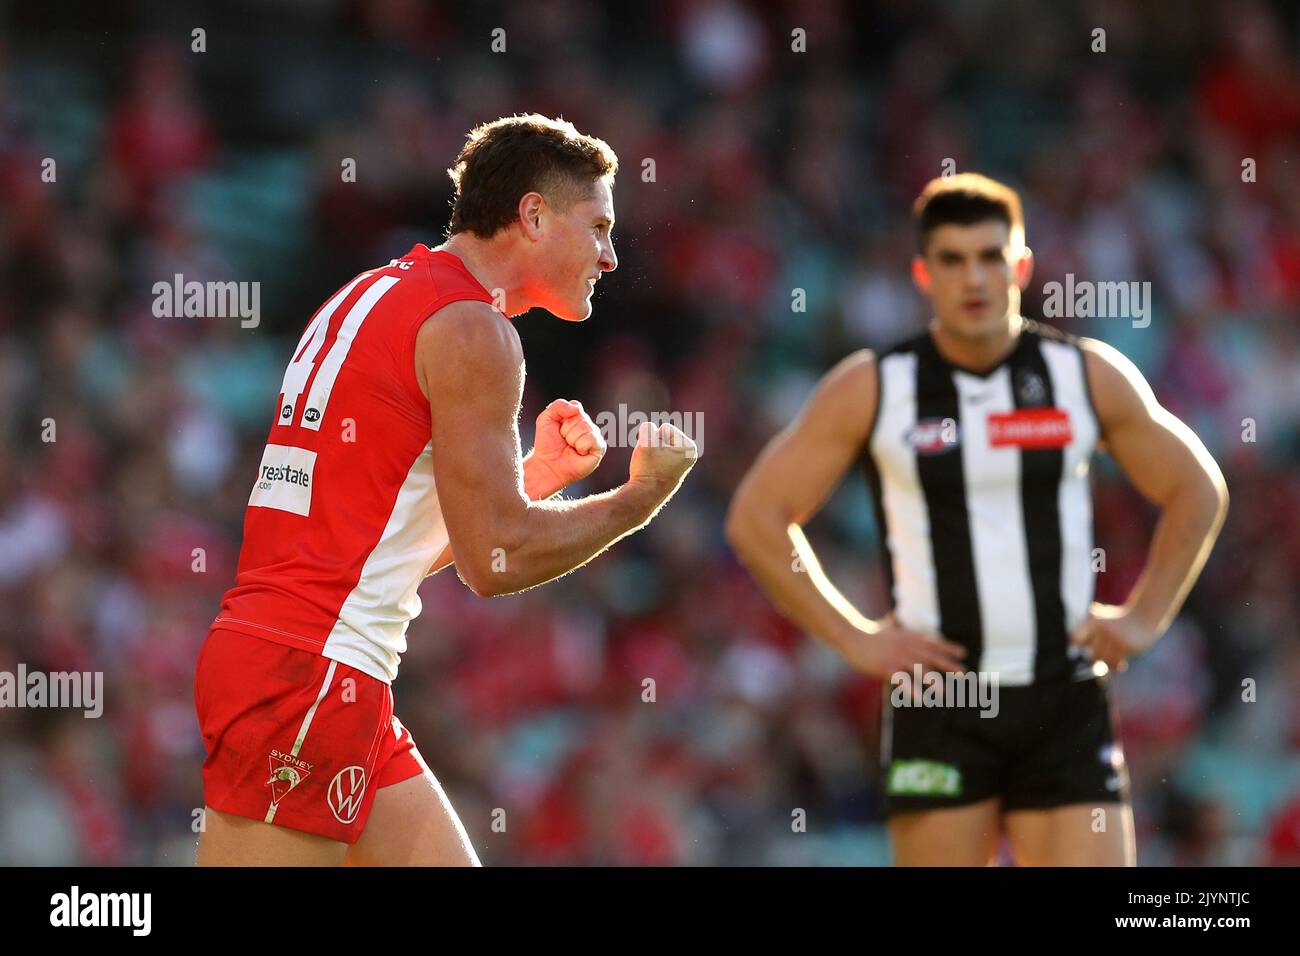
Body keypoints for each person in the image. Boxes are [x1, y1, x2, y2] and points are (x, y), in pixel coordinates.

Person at [194, 114, 698, 866]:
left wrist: (533, 481)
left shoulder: (371, 294)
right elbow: (495, 563)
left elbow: (381, 543)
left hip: (309, 669)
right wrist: (639, 499)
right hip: (310, 679)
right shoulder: (474, 330)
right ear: (533, 215)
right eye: (598, 227)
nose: (611, 256)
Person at [725, 173, 1228, 866]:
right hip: (939, 707)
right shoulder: (876, 386)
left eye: (991, 256)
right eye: (954, 260)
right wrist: (855, 639)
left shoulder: (1082, 376)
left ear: (1020, 265)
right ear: (923, 275)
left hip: (1062, 695)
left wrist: (1144, 617)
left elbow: (1197, 488)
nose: (975, 277)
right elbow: (758, 516)